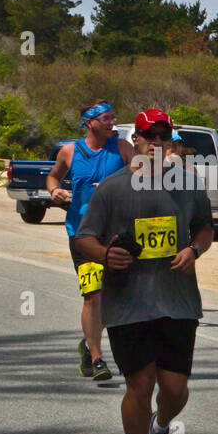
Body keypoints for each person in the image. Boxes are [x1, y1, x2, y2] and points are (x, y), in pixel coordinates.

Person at [72, 109, 213, 434]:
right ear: (135, 140)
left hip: (178, 301)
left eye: (162, 136)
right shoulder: (113, 187)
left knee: (175, 387)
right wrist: (104, 255)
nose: (155, 143)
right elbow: (84, 237)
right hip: (128, 302)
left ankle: (161, 426)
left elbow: (205, 226)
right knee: (140, 382)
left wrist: (195, 251)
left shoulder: (188, 184)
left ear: (170, 142)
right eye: (148, 135)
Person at [46, 100, 136, 381]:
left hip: (117, 234)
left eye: (113, 118)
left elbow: (143, 180)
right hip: (83, 234)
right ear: (89, 122)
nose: (112, 123)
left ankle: (88, 343)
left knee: (116, 296)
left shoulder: (122, 148)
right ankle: (97, 358)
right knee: (93, 294)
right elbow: (53, 177)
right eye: (106, 119)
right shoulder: (69, 151)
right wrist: (55, 192)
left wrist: (116, 186)